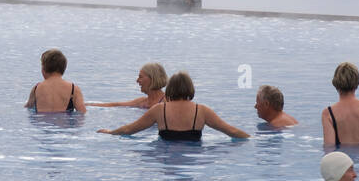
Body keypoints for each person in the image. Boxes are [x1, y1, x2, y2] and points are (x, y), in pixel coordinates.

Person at [99, 71, 249, 140]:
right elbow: (231, 131)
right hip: (193, 161)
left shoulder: (159, 110)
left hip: (164, 157)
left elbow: (129, 129)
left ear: (170, 88)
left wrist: (110, 132)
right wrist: (251, 138)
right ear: (190, 88)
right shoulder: (202, 111)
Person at [25, 48, 87, 113]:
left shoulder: (36, 88)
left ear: (43, 69)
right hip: (64, 119)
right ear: (63, 68)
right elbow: (82, 113)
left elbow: (28, 107)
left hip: (42, 118)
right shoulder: (73, 89)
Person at [88, 63, 168, 109]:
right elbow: (116, 105)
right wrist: (87, 105)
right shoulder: (142, 101)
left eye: (140, 77)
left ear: (152, 79)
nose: (137, 81)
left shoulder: (167, 101)